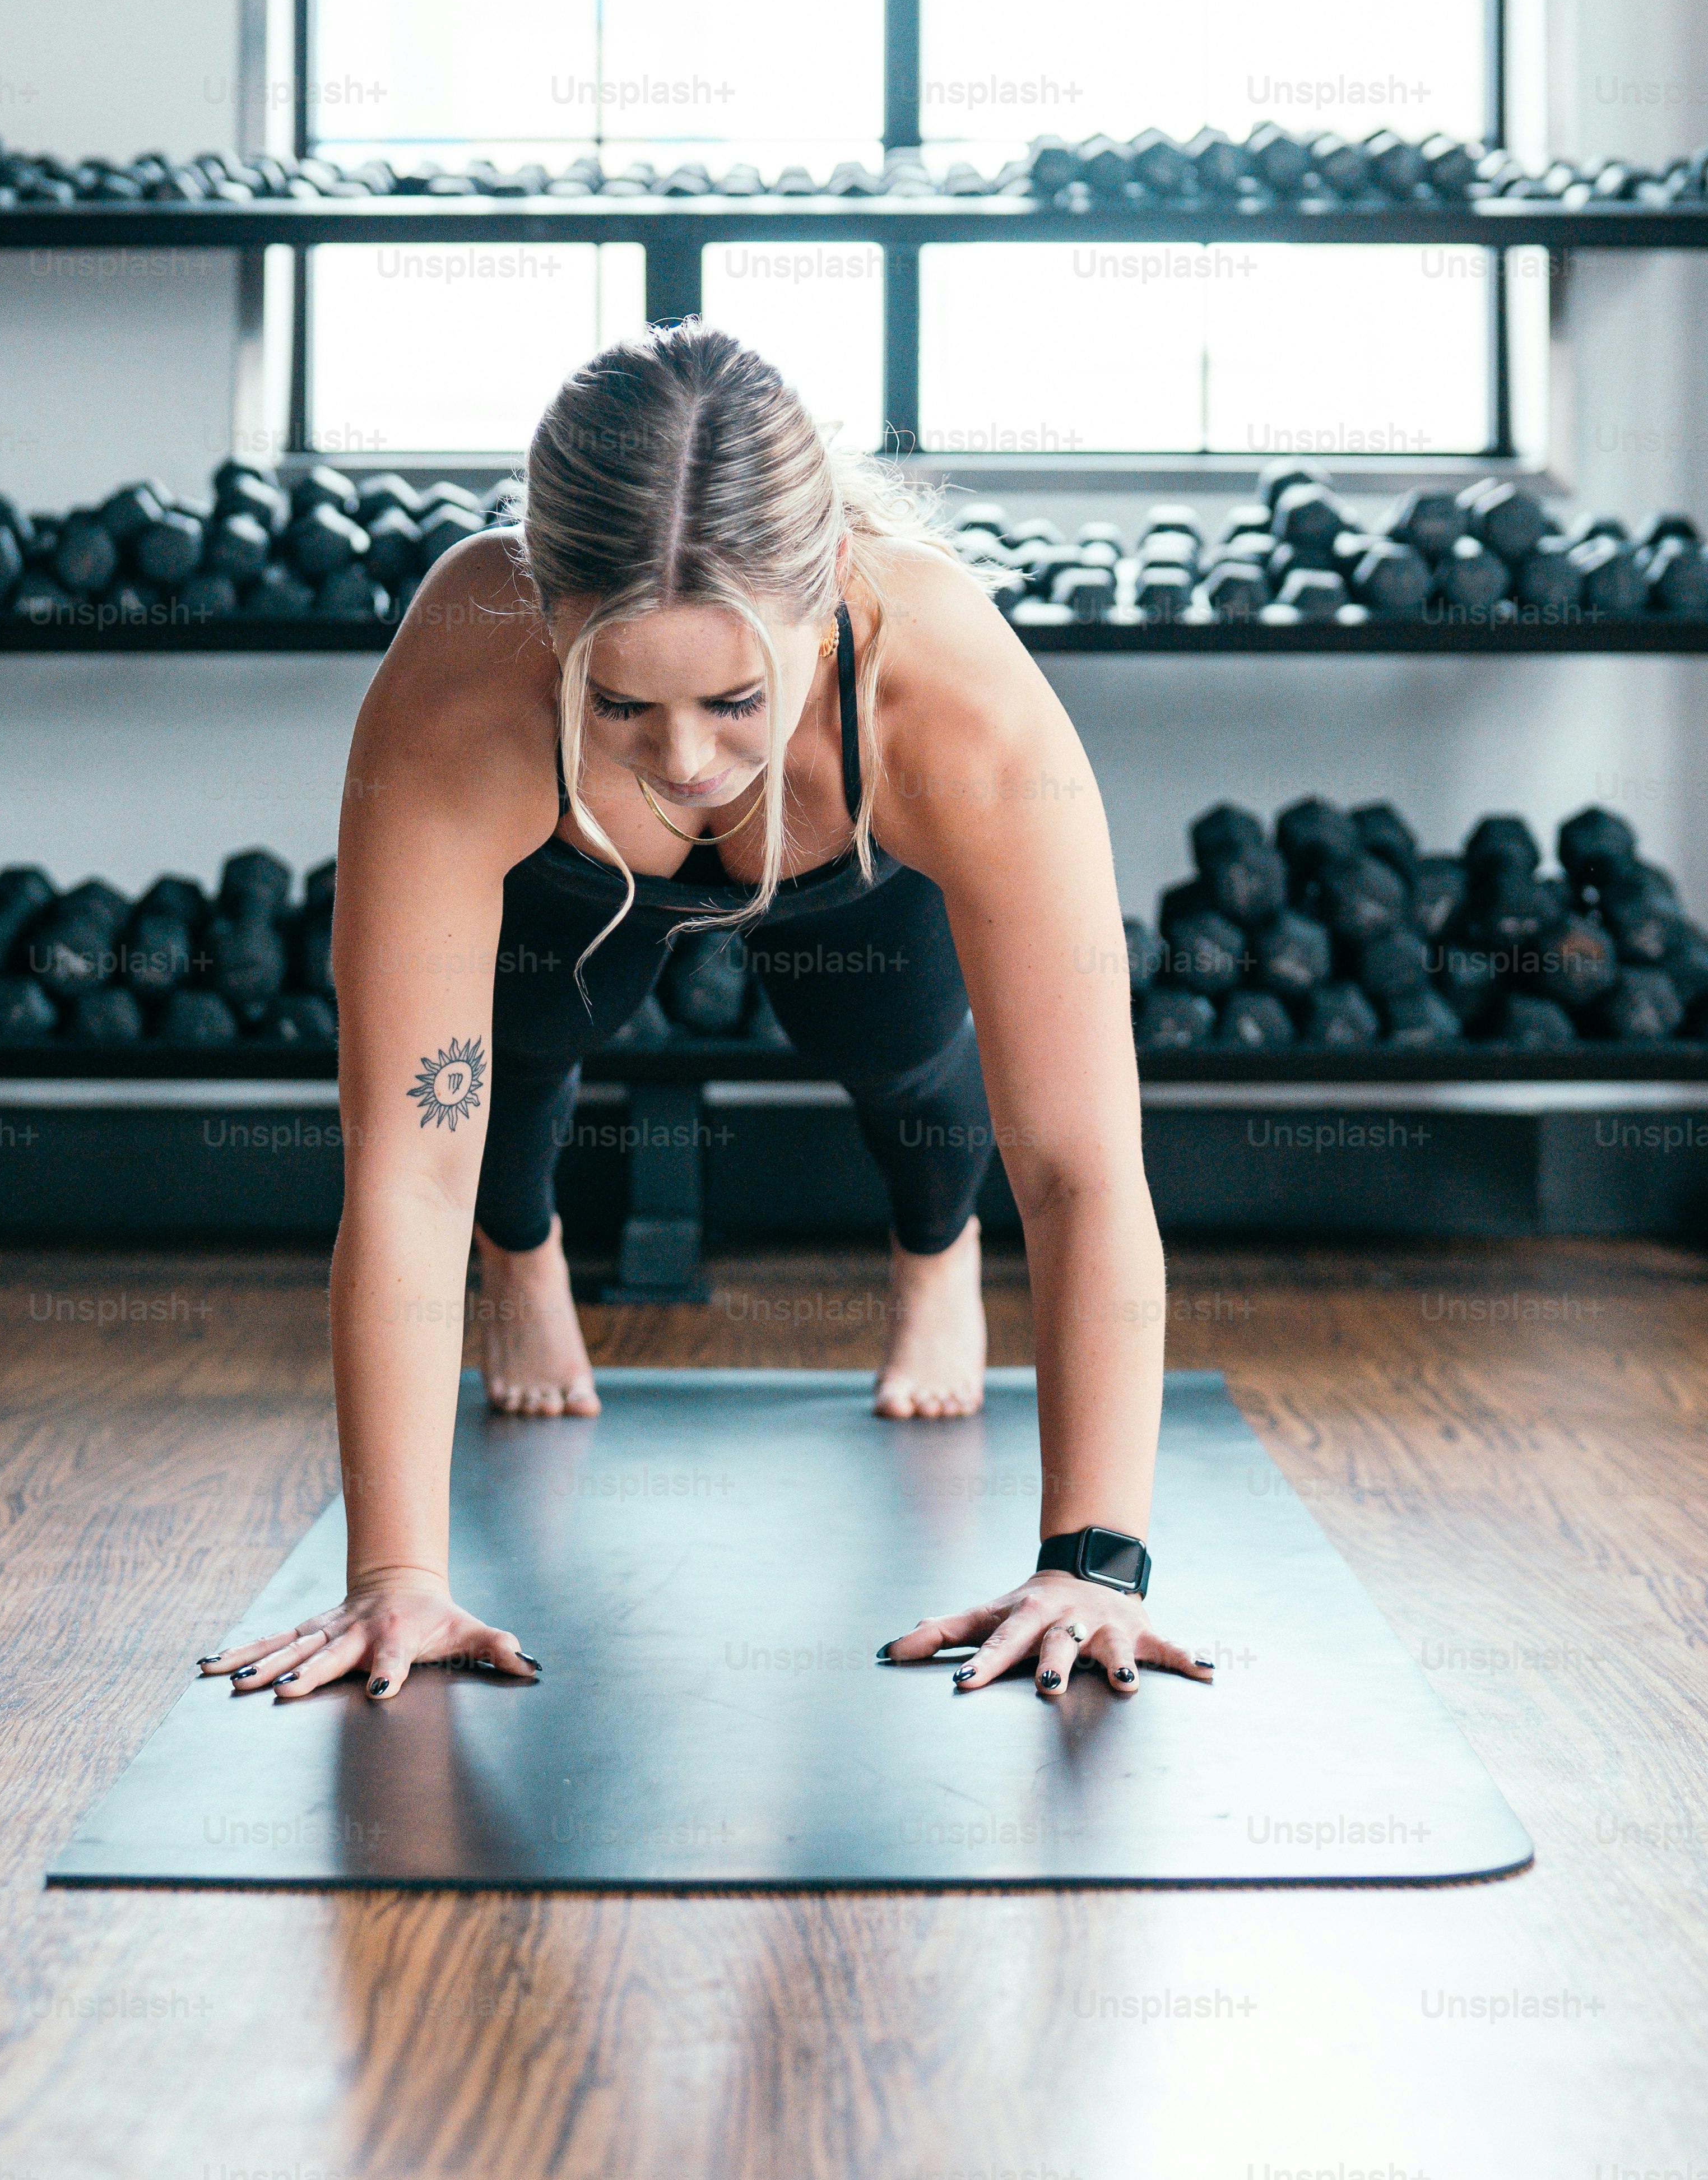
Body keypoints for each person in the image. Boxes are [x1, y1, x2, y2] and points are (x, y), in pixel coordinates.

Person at [202, 324, 1209, 1704]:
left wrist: (1093, 1561)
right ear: (547, 614)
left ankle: (932, 1256)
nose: (684, 760)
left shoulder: (953, 706)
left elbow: (1084, 1165)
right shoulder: (465, 679)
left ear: (832, 596)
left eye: (737, 700)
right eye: (624, 703)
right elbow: (406, 1165)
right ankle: (532, 1261)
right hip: (574, 880)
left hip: (848, 863)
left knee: (909, 1060)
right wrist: (396, 1578)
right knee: (510, 1073)